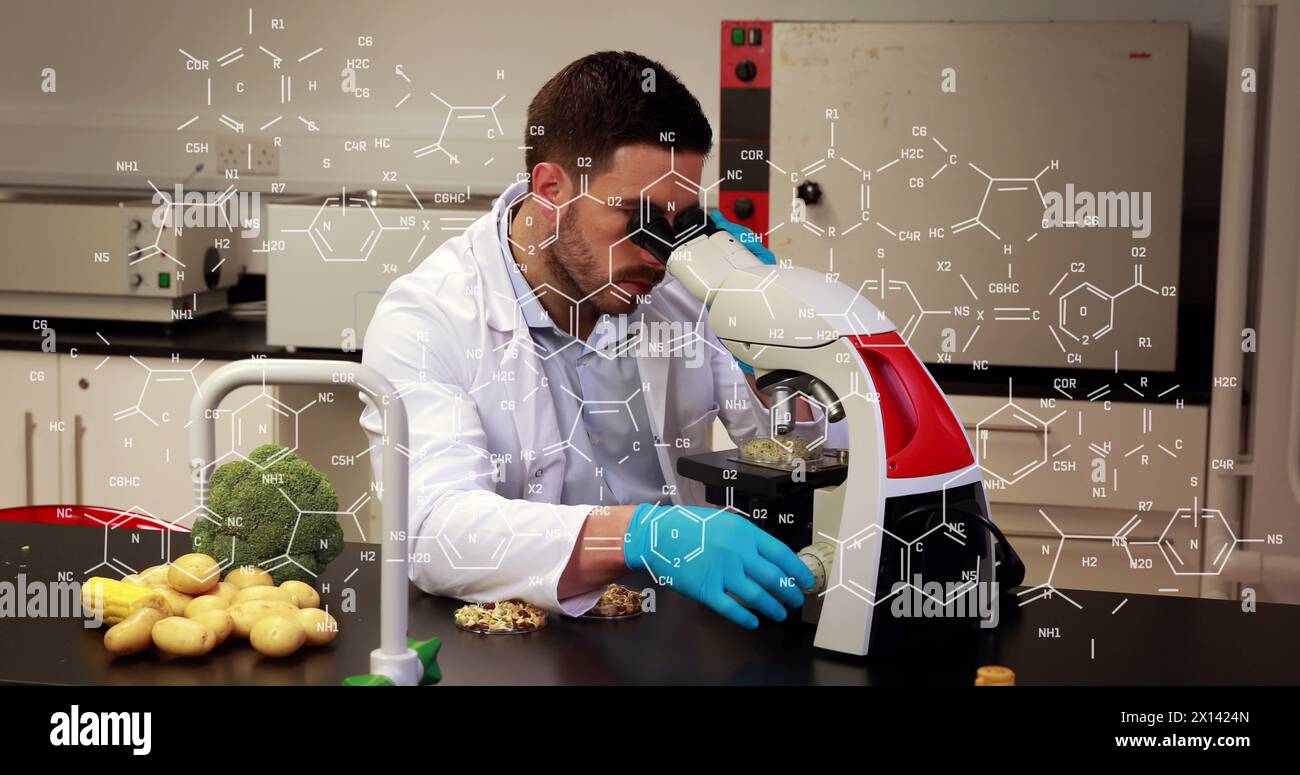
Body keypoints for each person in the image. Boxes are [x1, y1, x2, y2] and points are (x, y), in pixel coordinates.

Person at [360, 51, 816, 629]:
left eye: (676, 222)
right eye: (634, 215)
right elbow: (431, 535)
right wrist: (639, 535)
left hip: (678, 623)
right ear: (550, 187)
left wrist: (769, 327)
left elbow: (797, 444)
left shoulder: (679, 287)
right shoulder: (428, 317)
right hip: (523, 640)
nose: (658, 251)